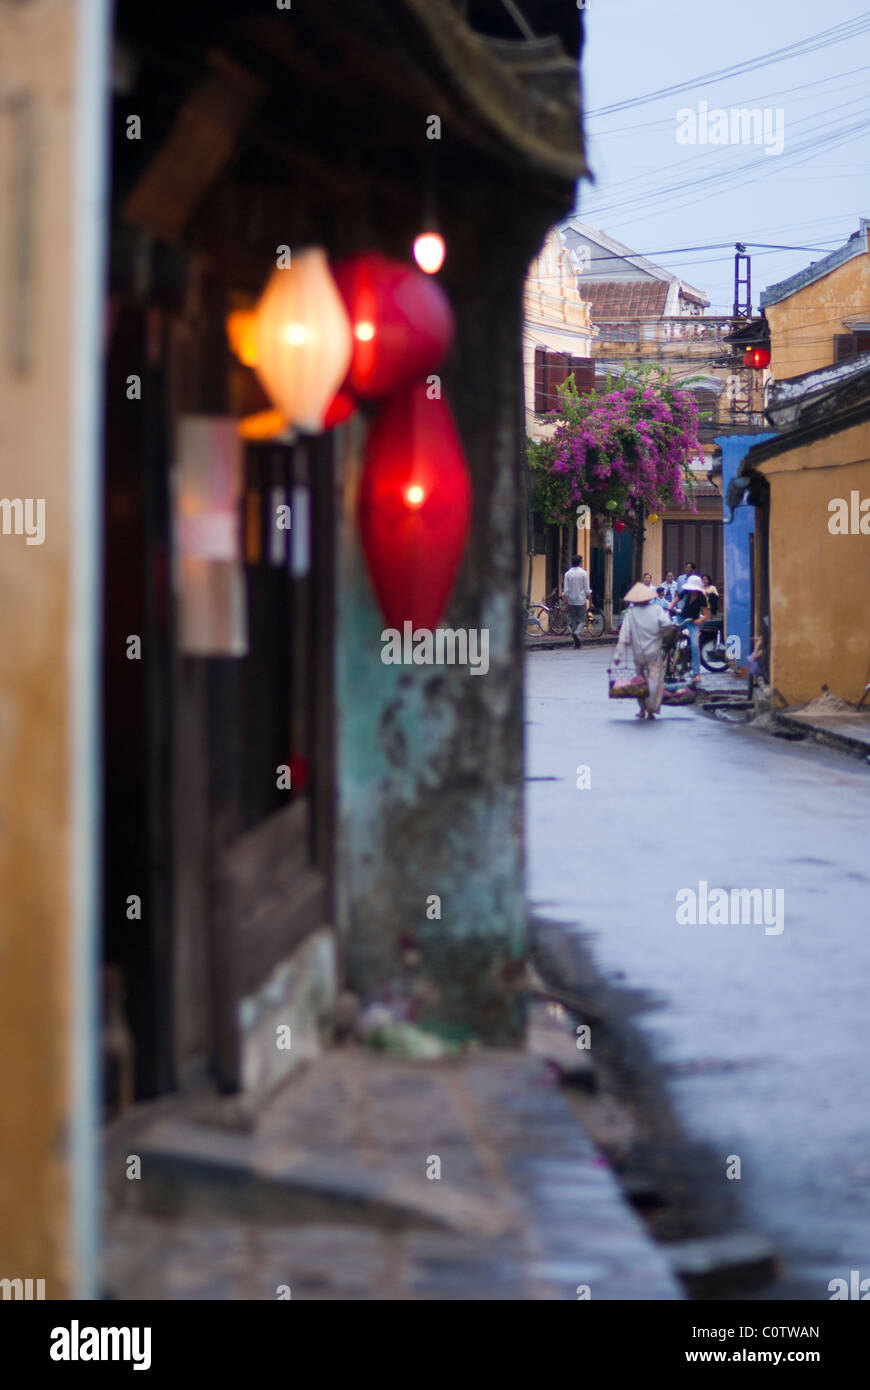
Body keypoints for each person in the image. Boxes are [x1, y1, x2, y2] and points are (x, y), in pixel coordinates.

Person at [614, 581, 671, 719]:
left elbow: (624, 635)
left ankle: (642, 709)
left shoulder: (630, 613)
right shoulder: (657, 610)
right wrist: (663, 634)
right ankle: (651, 709)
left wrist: (618, 655)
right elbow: (667, 625)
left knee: (639, 681)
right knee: (654, 681)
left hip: (638, 654)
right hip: (654, 653)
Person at [668, 573, 709, 683]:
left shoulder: (701, 598)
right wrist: (668, 609)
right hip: (681, 618)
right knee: (667, 633)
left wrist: (698, 620)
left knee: (695, 646)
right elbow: (674, 601)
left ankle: (696, 673)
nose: (692, 591)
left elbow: (706, 615)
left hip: (692, 623)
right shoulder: (685, 592)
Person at [562, 553, 591, 649]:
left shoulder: (567, 574)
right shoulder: (583, 573)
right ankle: (577, 633)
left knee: (573, 620)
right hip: (581, 600)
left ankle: (576, 642)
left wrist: (565, 602)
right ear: (579, 562)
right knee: (582, 619)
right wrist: (590, 601)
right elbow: (587, 589)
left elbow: (565, 590)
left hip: (571, 600)